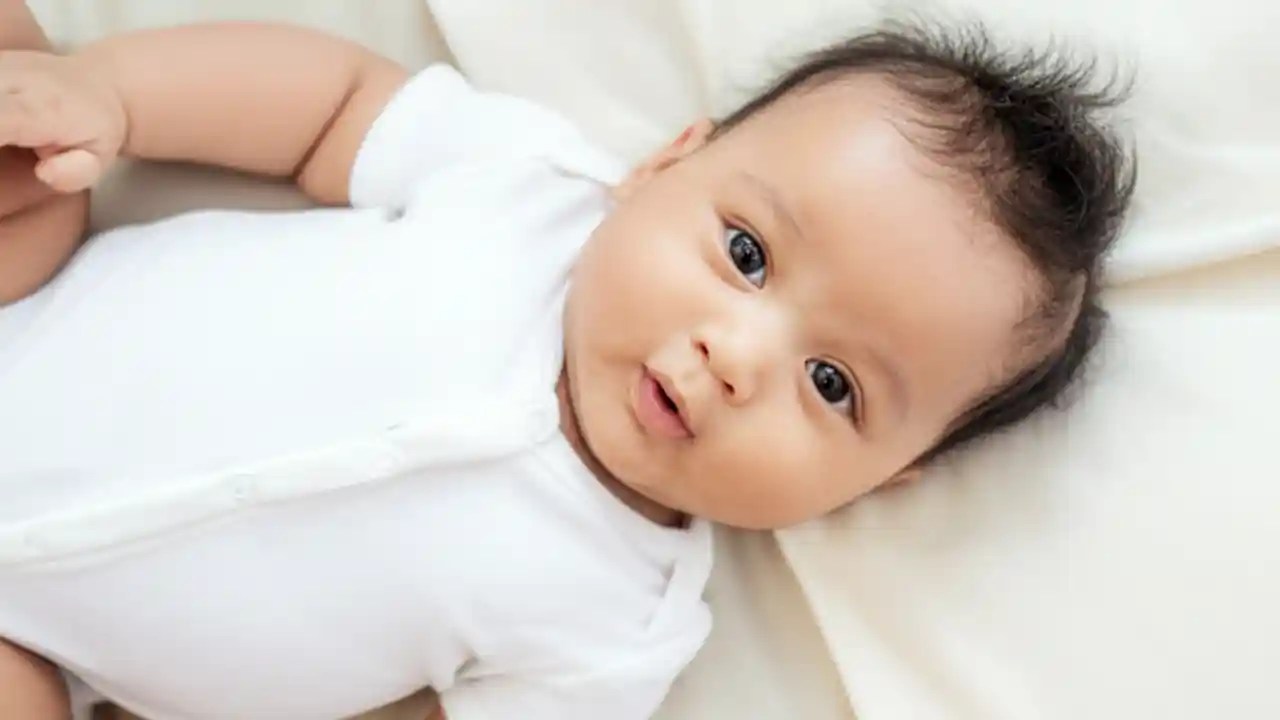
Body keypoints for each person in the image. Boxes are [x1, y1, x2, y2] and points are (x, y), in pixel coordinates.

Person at [0, 9, 1134, 720]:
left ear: (880, 478)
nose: (734, 357)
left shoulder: (618, 637)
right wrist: (112, 98)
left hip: (43, 651)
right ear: (663, 165)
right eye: (744, 253)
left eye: (832, 386)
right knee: (18, 96)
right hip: (23, 308)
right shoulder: (526, 185)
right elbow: (327, 104)